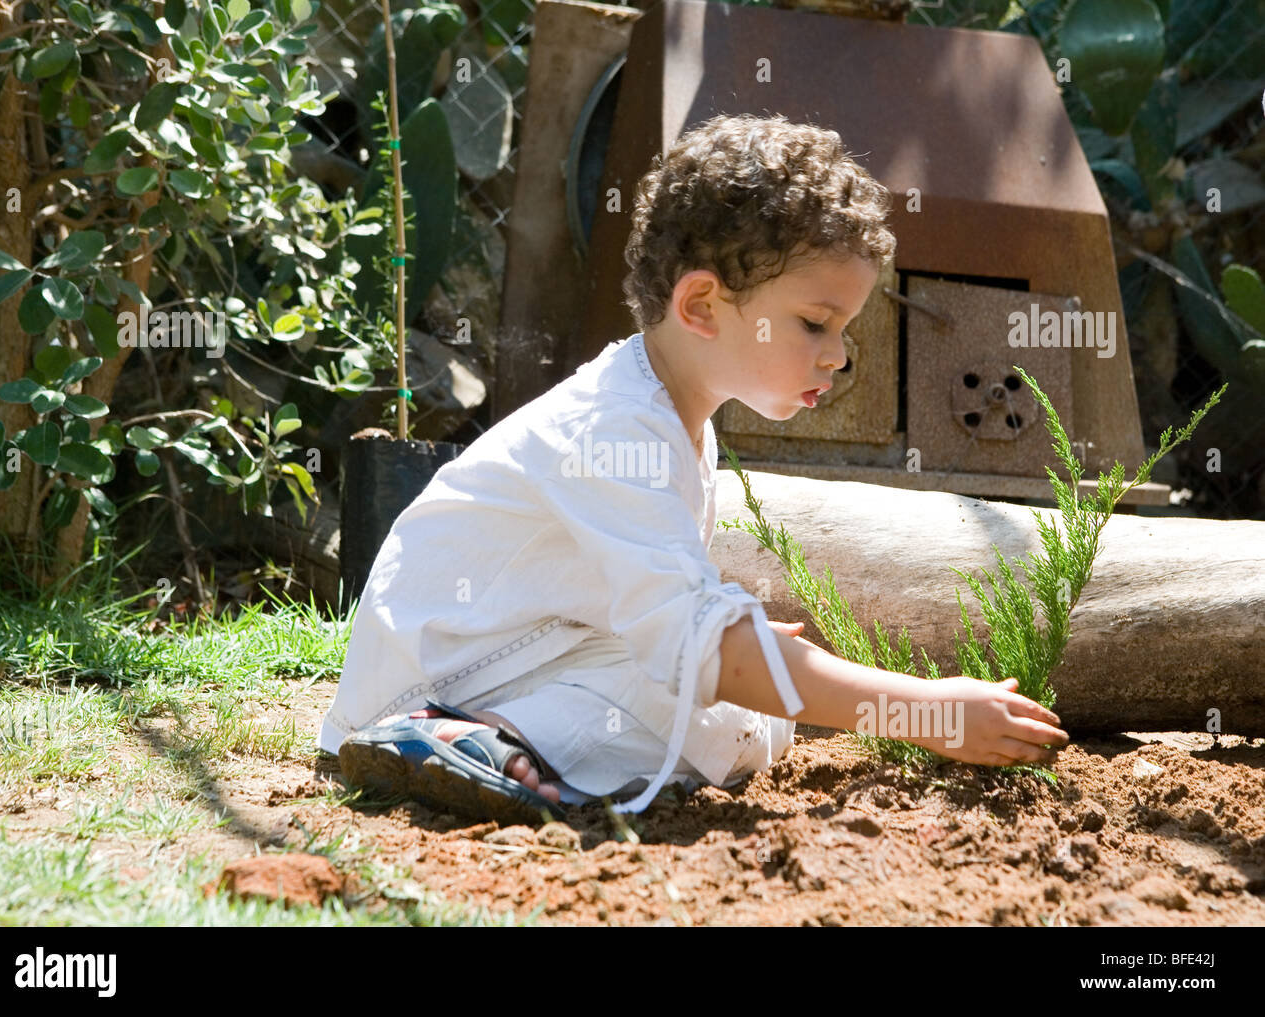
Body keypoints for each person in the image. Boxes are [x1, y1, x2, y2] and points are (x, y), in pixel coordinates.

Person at [320, 113, 1069, 824]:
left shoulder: (677, 420)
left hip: (528, 660)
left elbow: (656, 613)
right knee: (714, 708)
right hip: (432, 682)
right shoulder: (618, 429)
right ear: (704, 305)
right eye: (815, 322)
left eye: (843, 329)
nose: (838, 355)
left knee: (752, 716)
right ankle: (453, 740)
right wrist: (924, 710)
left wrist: (733, 649)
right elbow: (692, 644)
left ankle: (499, 744)